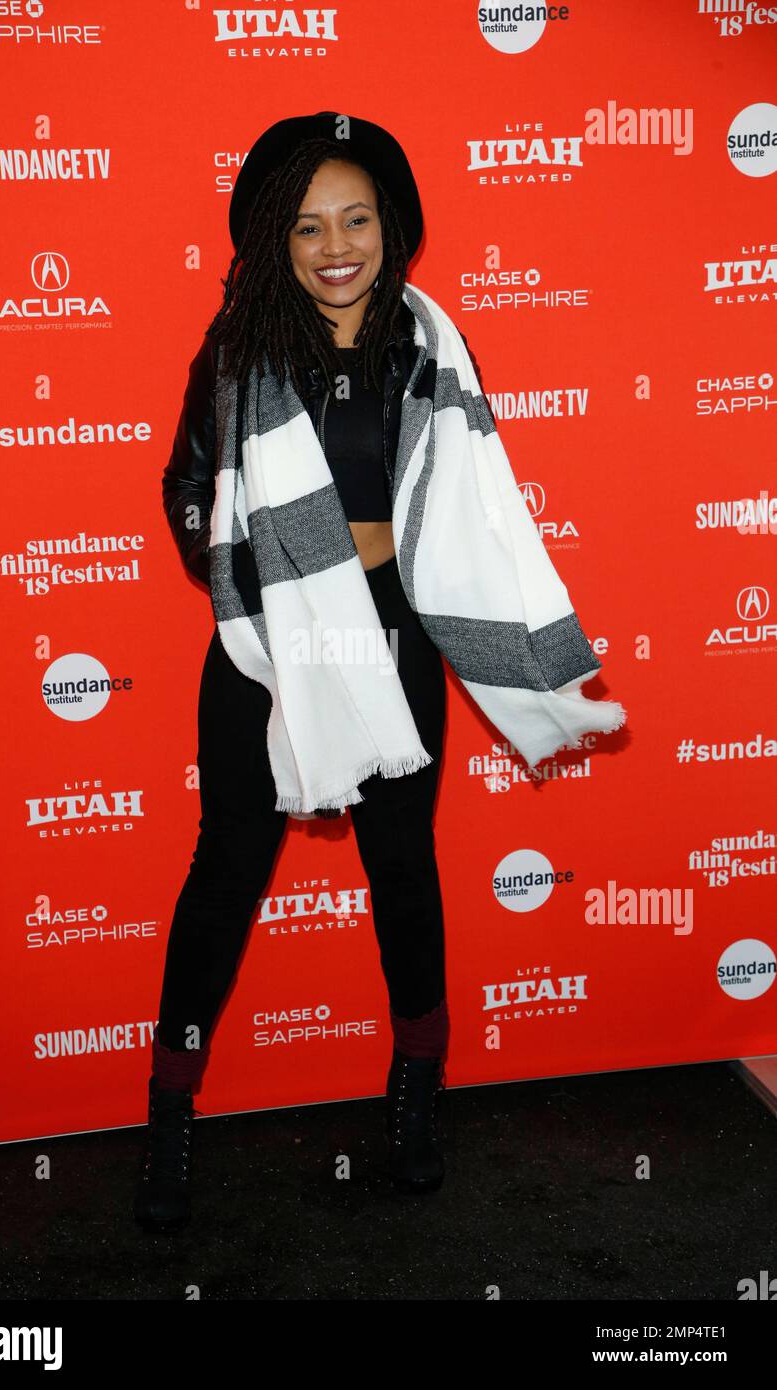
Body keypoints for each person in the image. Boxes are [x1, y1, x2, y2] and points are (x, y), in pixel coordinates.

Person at [134, 112, 625, 1233]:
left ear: (389, 225)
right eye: (307, 225)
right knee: (224, 875)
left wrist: (382, 574)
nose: (334, 244)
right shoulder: (237, 346)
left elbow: (464, 509)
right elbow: (187, 487)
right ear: (274, 236)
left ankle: (415, 1090)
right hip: (264, 651)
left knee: (401, 867)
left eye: (355, 218)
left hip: (394, 637)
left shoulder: (429, 348)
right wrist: (276, 583)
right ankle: (168, 1105)